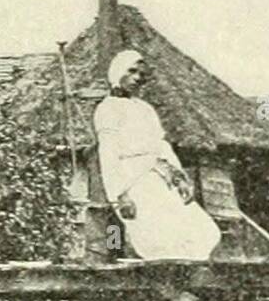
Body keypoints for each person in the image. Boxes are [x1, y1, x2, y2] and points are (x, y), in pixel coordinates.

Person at [93, 49, 221, 260]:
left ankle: (187, 282)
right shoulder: (108, 109)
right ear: (117, 72)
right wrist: (119, 196)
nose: (136, 78)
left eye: (141, 75)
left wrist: (179, 177)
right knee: (159, 236)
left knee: (202, 231)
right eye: (131, 71)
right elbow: (108, 153)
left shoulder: (145, 109)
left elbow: (161, 146)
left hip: (159, 175)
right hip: (132, 179)